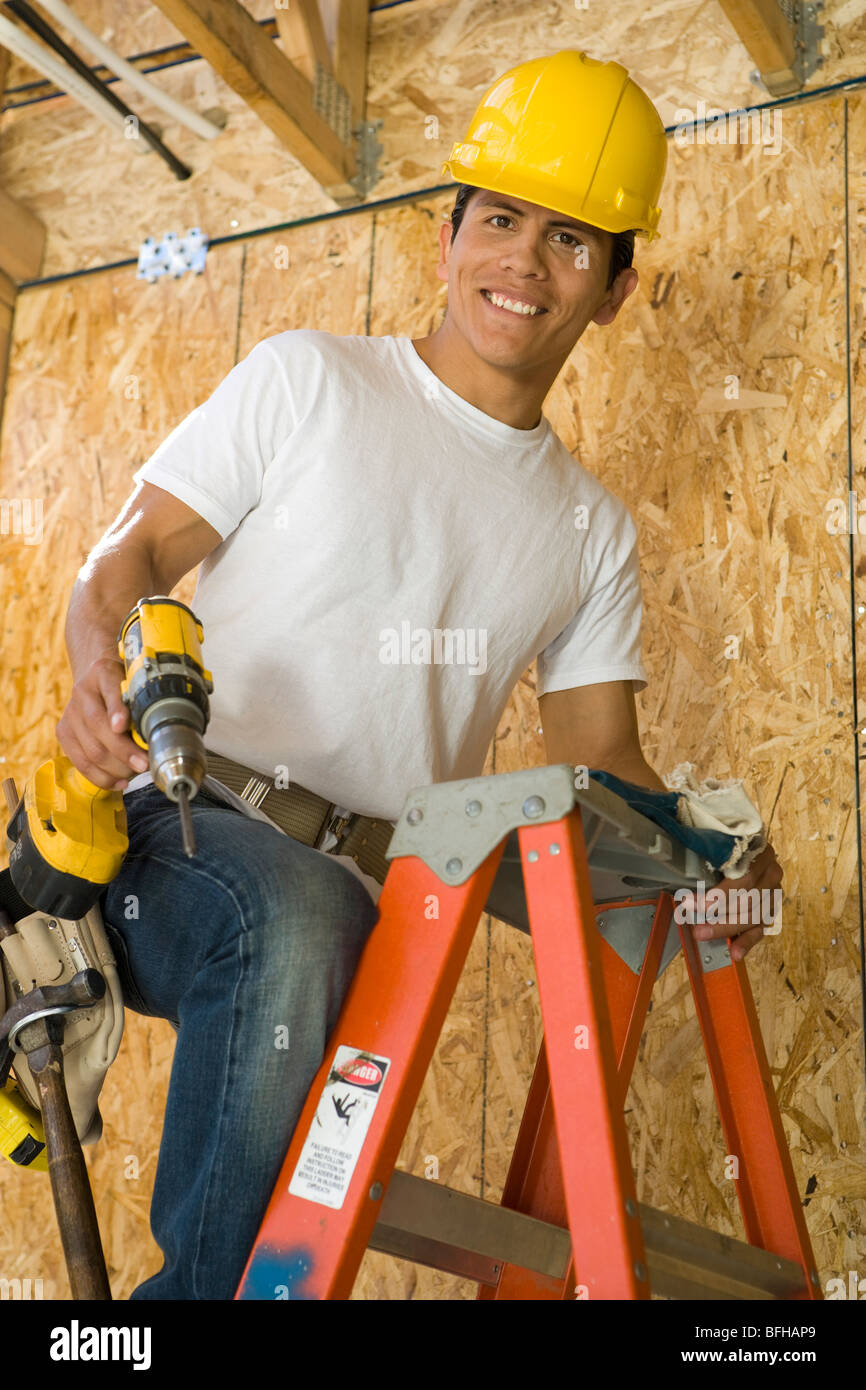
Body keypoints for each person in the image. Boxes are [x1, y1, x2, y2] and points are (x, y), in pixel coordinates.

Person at [56, 50, 782, 1300]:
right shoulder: (309, 380)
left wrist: (713, 857)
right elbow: (131, 555)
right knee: (296, 915)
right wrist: (93, 665)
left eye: (568, 240)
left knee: (319, 914)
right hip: (165, 832)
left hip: (360, 906)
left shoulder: (588, 528)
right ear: (447, 237)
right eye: (498, 219)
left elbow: (602, 757)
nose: (521, 262)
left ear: (611, 290)